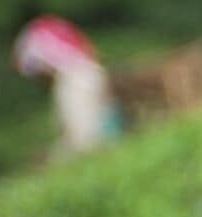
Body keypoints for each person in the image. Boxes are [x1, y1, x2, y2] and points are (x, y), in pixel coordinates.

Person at [12, 15, 123, 158]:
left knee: (82, 136)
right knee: (99, 122)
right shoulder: (56, 25)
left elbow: (28, 66)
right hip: (93, 70)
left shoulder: (29, 41)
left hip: (72, 77)